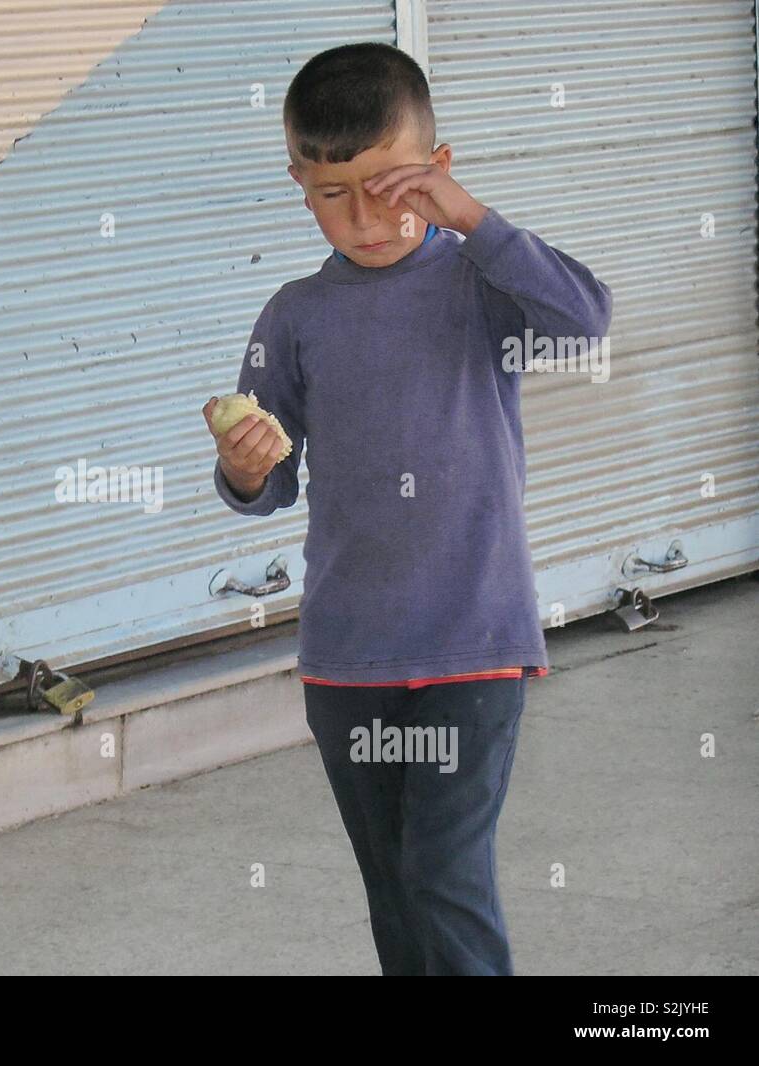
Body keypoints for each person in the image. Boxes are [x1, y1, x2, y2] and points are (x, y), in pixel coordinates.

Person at [203, 41, 613, 975]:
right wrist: (245, 464)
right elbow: (264, 488)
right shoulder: (295, 316)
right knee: (394, 888)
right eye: (331, 192)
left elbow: (587, 322)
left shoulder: (481, 286)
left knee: (443, 876)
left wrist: (472, 221)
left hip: (473, 640)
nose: (364, 216)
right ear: (299, 183)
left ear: (435, 170)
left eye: (390, 185)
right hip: (349, 655)